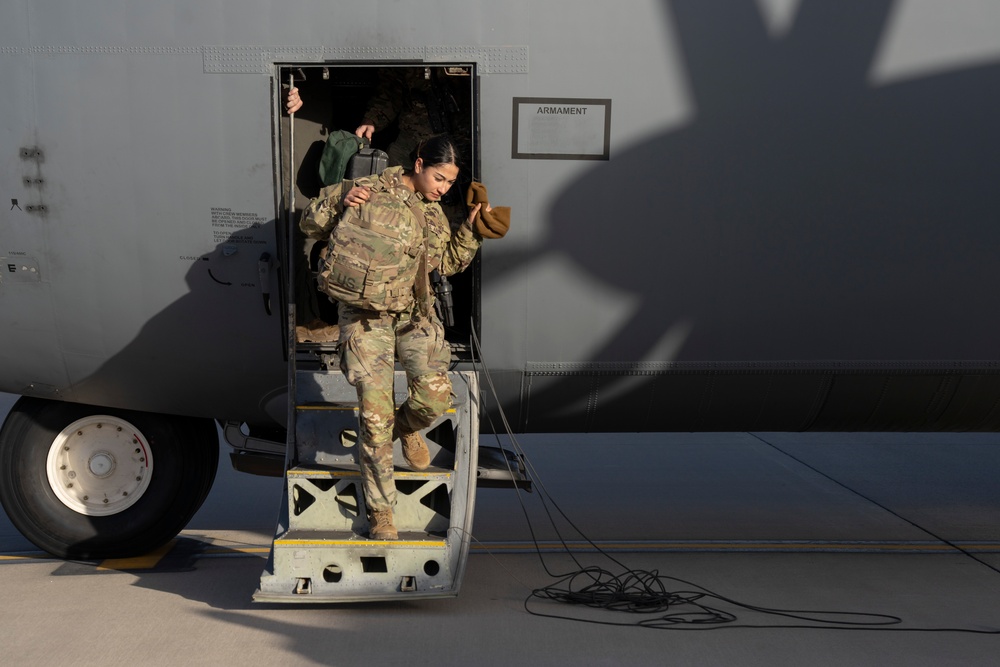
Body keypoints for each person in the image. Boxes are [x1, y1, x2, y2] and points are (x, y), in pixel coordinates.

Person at [299, 134, 489, 540]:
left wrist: (472, 230)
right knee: (374, 419)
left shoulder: (433, 214)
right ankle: (381, 511)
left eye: (450, 183)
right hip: (366, 318)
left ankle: (405, 428)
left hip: (413, 315)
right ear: (418, 164)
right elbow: (308, 223)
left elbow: (447, 264)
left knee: (435, 398)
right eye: (440, 178)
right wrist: (337, 203)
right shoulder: (364, 189)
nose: (444, 188)